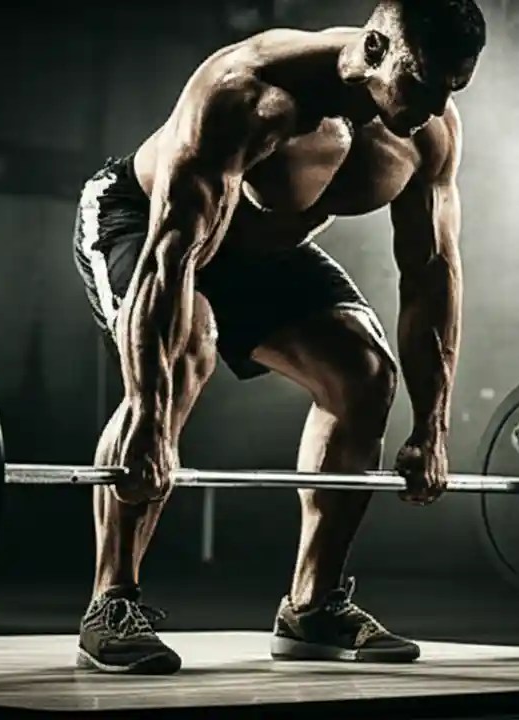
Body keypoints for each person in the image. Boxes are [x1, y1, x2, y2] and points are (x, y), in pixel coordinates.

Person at [71, 0, 485, 674]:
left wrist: (431, 426)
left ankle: (312, 608)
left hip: (265, 250)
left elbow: (433, 274)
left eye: (452, 87)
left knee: (365, 374)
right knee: (187, 350)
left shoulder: (429, 131)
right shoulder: (245, 92)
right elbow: (171, 257)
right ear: (375, 49)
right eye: (423, 82)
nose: (436, 102)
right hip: (142, 223)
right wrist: (149, 417)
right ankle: (110, 602)